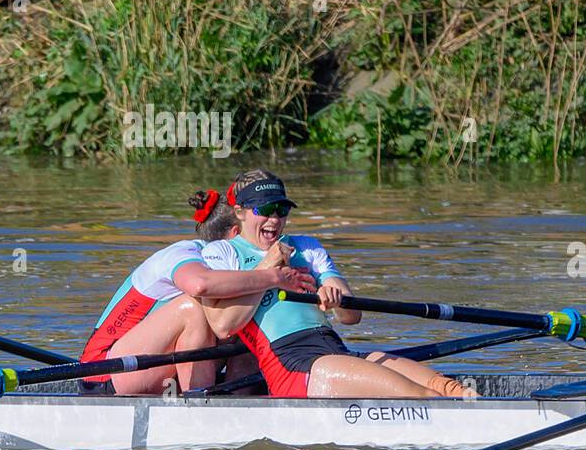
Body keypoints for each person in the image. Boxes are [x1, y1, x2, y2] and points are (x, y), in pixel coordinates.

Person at [197, 169, 472, 399]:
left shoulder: (306, 246)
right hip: (295, 367)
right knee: (424, 397)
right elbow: (224, 325)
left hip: (336, 351)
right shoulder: (223, 253)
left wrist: (333, 294)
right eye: (265, 210)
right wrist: (269, 270)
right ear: (240, 212)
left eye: (282, 210)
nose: (275, 219)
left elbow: (351, 316)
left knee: (447, 388)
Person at [79, 188, 315, 394]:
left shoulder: (240, 263)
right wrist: (273, 276)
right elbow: (199, 285)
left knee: (249, 312)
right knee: (195, 307)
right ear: (235, 233)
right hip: (103, 372)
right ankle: (200, 401)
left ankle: (238, 399)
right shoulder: (185, 253)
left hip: (158, 368)